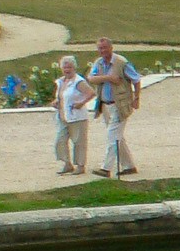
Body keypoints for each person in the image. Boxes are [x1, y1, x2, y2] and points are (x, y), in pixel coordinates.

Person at [87, 39, 142, 177]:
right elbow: (91, 78)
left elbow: (136, 79)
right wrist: (109, 78)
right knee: (117, 136)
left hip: (120, 104)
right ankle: (129, 166)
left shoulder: (122, 62)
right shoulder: (98, 63)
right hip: (105, 104)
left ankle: (106, 168)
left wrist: (136, 98)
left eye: (105, 48)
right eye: (100, 48)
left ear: (111, 47)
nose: (103, 51)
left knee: (112, 135)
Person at [50, 55, 91, 176]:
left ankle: (80, 165)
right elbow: (61, 97)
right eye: (65, 67)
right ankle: (67, 163)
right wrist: (56, 102)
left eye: (69, 67)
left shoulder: (78, 81)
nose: (67, 70)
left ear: (74, 68)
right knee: (60, 140)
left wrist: (81, 103)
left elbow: (91, 93)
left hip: (77, 117)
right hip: (63, 116)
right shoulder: (60, 82)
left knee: (79, 142)